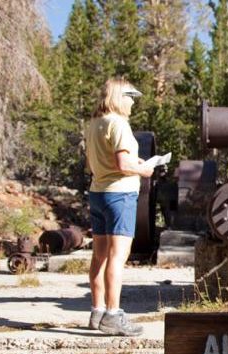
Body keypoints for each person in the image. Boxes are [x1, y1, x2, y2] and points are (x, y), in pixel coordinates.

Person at [84, 77, 155, 336]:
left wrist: (131, 161)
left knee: (99, 256)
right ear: (119, 97)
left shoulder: (95, 124)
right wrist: (145, 169)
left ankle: (97, 311)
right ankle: (113, 315)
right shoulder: (120, 124)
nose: (133, 103)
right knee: (118, 256)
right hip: (120, 195)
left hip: (98, 193)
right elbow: (124, 166)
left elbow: (96, 163)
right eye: (130, 97)